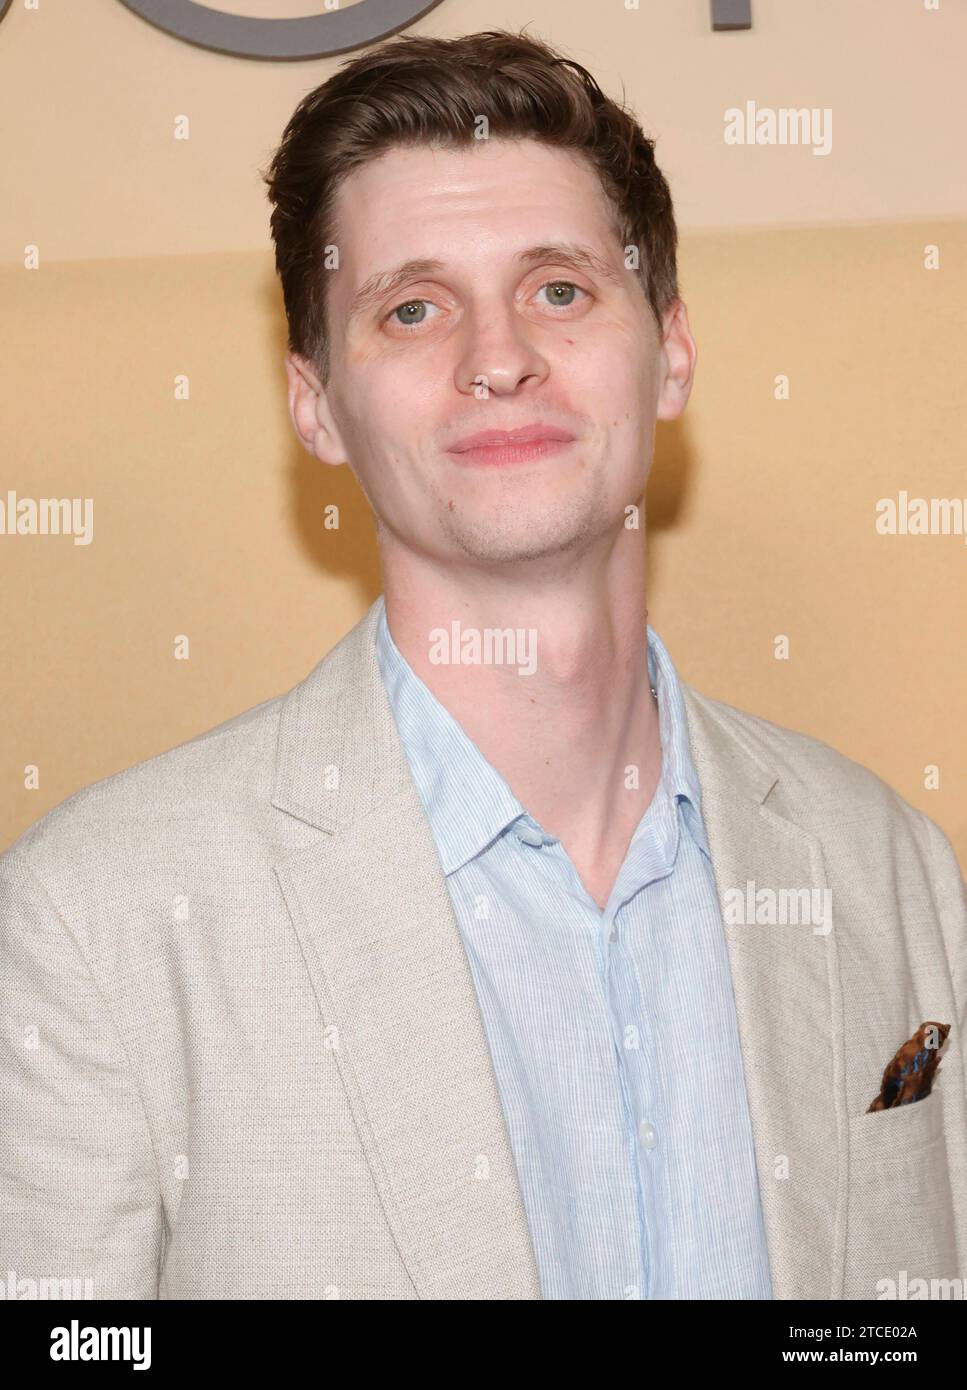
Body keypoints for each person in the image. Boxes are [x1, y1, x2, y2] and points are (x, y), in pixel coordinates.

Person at [1, 29, 964, 1302]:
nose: (497, 357)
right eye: (411, 308)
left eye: (559, 289)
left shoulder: (888, 864)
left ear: (669, 350)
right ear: (315, 403)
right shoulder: (94, 922)